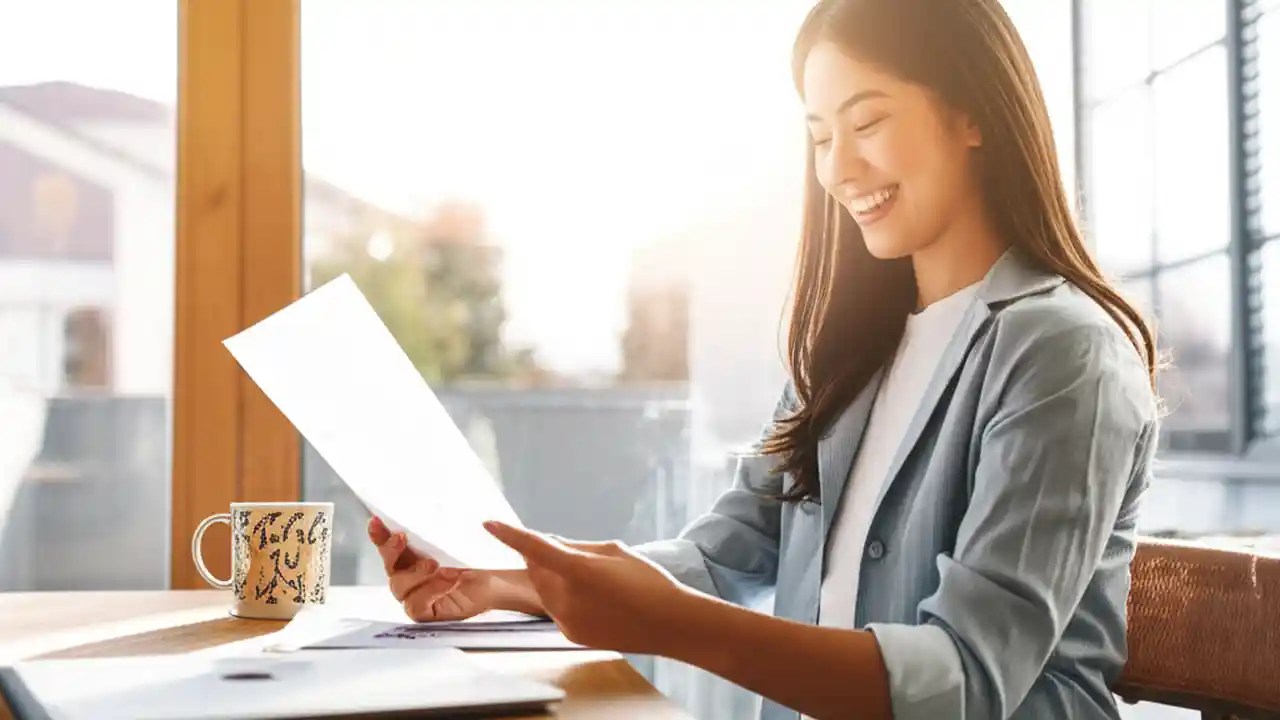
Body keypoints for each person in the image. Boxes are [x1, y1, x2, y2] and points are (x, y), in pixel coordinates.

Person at [368, 0, 1160, 717]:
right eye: (820, 136)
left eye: (868, 122)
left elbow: (965, 678)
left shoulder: (1064, 354)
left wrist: (673, 625)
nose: (838, 169)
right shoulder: (850, 357)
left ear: (972, 113)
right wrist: (508, 582)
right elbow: (724, 553)